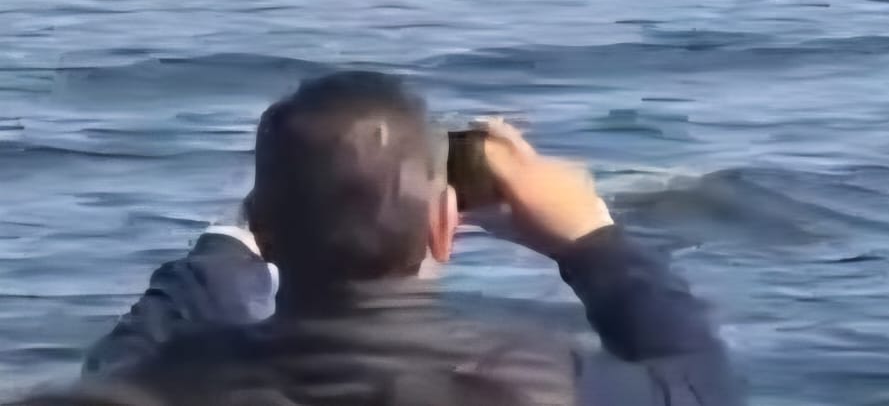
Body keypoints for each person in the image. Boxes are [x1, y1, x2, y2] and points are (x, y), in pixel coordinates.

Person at [68, 70, 741, 406]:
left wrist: (227, 247)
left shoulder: (171, 381)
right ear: (444, 227)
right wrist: (589, 239)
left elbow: (110, 371)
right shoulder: (535, 382)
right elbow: (702, 383)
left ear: (267, 229)